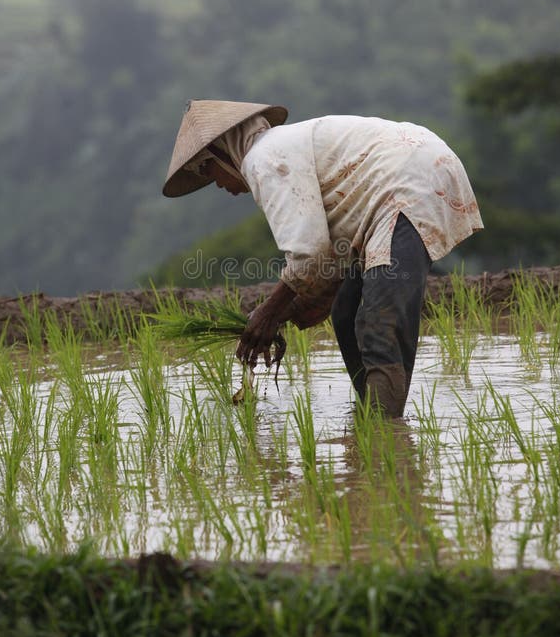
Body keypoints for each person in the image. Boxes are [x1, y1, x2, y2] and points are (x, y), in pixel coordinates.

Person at [163, 100, 483, 416]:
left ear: (222, 153)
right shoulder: (281, 151)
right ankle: (371, 420)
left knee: (378, 324)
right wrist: (286, 313)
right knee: (346, 313)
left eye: (208, 170)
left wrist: (268, 312)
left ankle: (387, 438)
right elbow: (329, 263)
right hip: (408, 174)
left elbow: (310, 253)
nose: (217, 184)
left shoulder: (263, 158)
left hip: (407, 182)